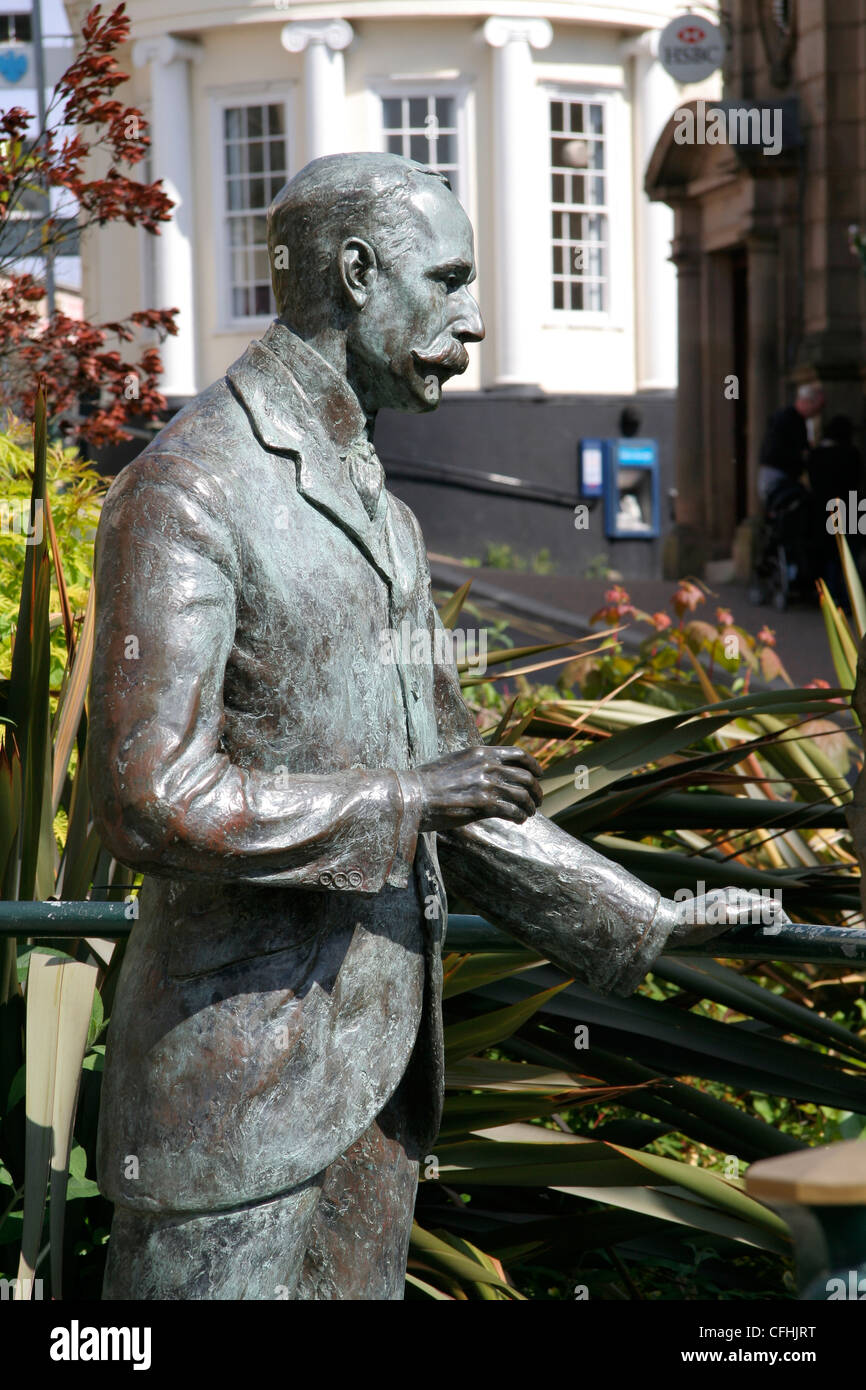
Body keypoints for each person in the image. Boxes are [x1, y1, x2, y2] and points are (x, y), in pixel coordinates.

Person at [88, 153, 786, 1301]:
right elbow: (145, 794)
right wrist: (407, 800)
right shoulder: (189, 489)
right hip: (235, 1116)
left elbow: (459, 791)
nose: (472, 321)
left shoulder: (383, 511)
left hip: (379, 1080)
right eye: (448, 278)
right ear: (357, 275)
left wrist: (648, 919)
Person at [808, 414, 862, 605]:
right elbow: (856, 479)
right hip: (850, 505)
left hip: (824, 508)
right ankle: (851, 598)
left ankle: (831, 597)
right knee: (849, 555)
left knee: (830, 555)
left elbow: (813, 481)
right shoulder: (851, 453)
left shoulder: (817, 454)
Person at [757, 382, 825, 502]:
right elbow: (777, 451)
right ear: (807, 402)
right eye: (817, 407)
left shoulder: (794, 419)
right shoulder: (788, 419)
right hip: (778, 475)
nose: (817, 412)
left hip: (778, 475)